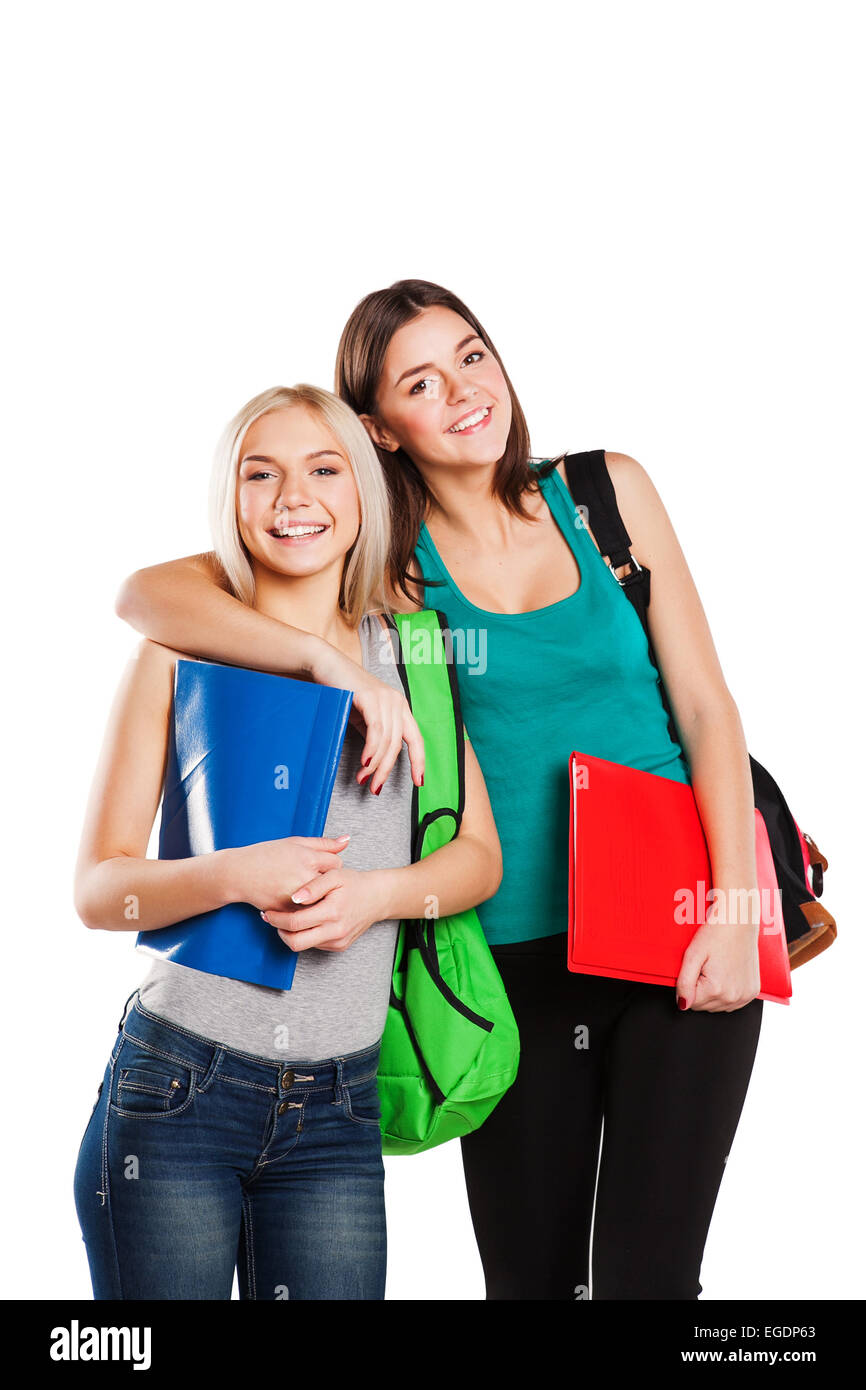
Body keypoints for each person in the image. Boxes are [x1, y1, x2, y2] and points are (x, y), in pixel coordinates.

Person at [115, 282, 765, 1301]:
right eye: (421, 381)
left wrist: (734, 907)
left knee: (649, 1280)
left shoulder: (603, 495)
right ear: (378, 425)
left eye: (471, 356)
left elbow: (705, 707)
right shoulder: (387, 563)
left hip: (671, 933)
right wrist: (330, 664)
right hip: (497, 968)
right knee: (529, 1283)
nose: (464, 390)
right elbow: (145, 594)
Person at [73, 382, 502, 1300]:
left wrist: (375, 896)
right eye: (258, 474)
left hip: (339, 1112)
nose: (291, 497)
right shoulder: (179, 649)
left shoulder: (414, 655)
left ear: (365, 495)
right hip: (178, 1088)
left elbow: (478, 859)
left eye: (323, 469)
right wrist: (231, 875)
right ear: (231, 501)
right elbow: (99, 890)